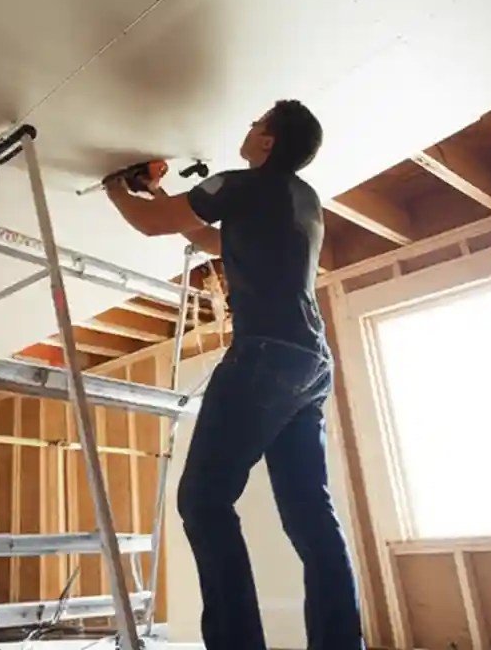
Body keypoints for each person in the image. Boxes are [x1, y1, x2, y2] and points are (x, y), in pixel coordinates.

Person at [104, 100, 364, 650]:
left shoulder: (241, 183)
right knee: (311, 516)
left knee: (204, 499)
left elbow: (153, 226)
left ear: (267, 142)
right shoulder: (305, 200)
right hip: (312, 363)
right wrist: (157, 192)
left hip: (265, 356)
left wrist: (114, 187)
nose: (248, 129)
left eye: (256, 123)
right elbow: (218, 241)